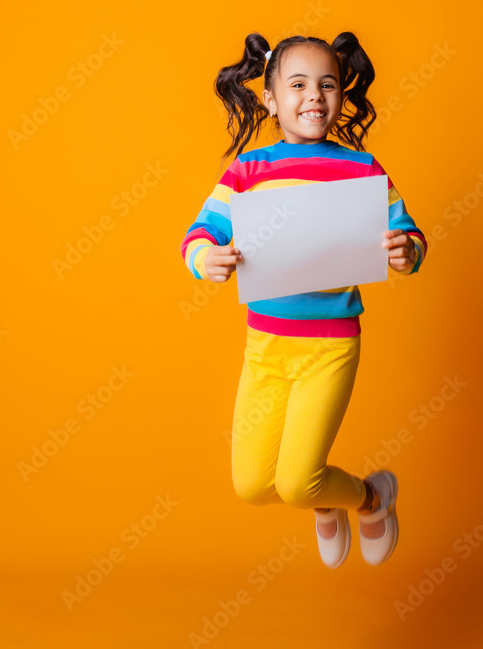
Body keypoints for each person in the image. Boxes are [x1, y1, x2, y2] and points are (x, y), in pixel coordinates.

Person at [179, 31, 427, 568]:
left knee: (296, 482)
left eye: (328, 84)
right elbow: (198, 234)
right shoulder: (249, 170)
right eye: (298, 84)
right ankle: (327, 500)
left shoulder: (362, 169)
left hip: (331, 349)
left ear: (341, 97)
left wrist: (406, 252)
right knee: (251, 485)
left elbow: (410, 234)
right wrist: (206, 259)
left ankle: (368, 498)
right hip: (266, 349)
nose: (314, 95)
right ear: (270, 98)